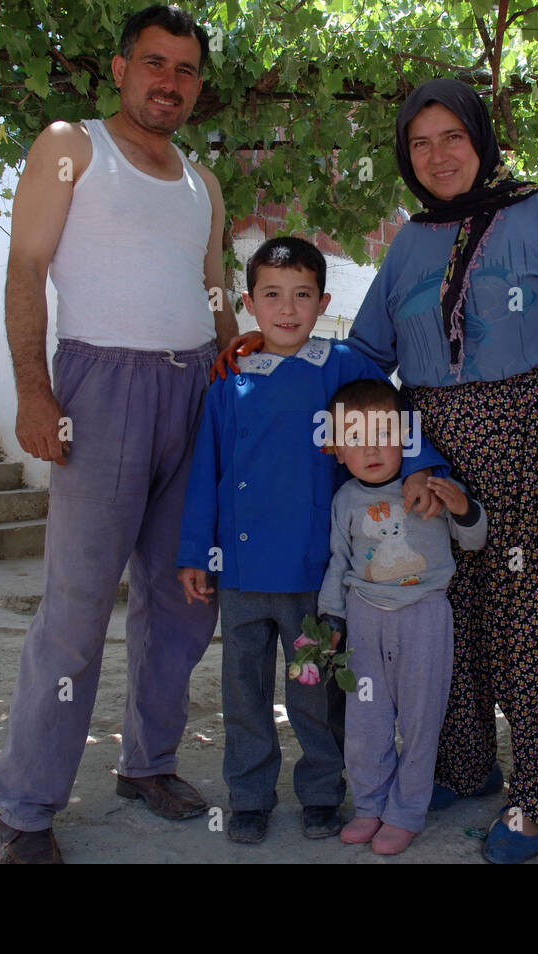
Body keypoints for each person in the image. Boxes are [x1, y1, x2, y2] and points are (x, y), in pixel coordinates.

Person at [216, 78, 538, 863]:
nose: (438, 155)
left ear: (479, 140)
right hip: (435, 457)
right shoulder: (410, 241)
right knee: (453, 617)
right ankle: (464, 763)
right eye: (420, 142)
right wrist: (278, 353)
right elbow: (364, 356)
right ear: (406, 156)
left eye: (453, 137)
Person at [0, 5, 238, 864]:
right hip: (100, 389)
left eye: (186, 71)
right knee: (76, 611)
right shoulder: (70, 146)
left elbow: (214, 293)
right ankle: (25, 808)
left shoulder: (202, 183)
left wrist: (233, 373)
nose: (170, 82)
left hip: (195, 393)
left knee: (180, 602)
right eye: (155, 63)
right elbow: (25, 268)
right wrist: (34, 389)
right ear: (120, 67)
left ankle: (149, 764)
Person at [175, 237, 450, 845]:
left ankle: (323, 792)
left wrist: (425, 467)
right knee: (244, 694)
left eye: (302, 295)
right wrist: (196, 551)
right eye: (271, 295)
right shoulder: (228, 385)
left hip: (316, 571)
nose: (288, 309)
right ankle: (248, 796)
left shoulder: (344, 365)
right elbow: (205, 476)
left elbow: (392, 420)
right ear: (249, 304)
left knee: (317, 696)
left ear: (324, 301)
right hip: (242, 570)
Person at [317, 378, 487, 855]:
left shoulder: (433, 487)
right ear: (336, 448)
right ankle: (369, 806)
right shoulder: (345, 500)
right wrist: (330, 619)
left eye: (382, 435)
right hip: (365, 619)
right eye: (355, 437)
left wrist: (466, 507)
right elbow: (339, 562)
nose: (370, 449)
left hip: (425, 617)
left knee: (419, 720)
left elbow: (474, 540)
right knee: (365, 720)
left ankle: (407, 811)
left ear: (407, 439)